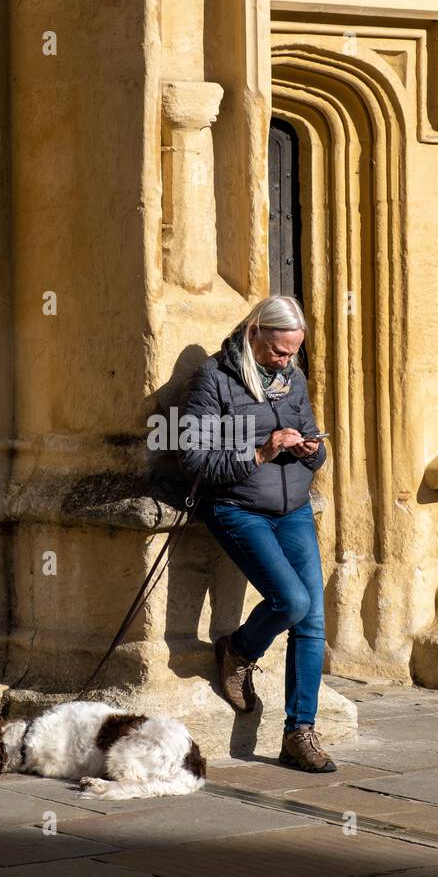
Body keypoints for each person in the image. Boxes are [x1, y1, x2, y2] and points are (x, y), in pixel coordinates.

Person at [179, 294, 336, 773]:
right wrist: (262, 453)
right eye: (278, 351)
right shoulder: (214, 379)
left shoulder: (293, 379)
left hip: (293, 509)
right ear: (254, 333)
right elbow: (196, 460)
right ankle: (240, 651)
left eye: (293, 353)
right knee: (292, 601)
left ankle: (299, 732)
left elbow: (314, 442)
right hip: (238, 507)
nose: (286, 360)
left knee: (312, 622)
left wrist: (311, 450)